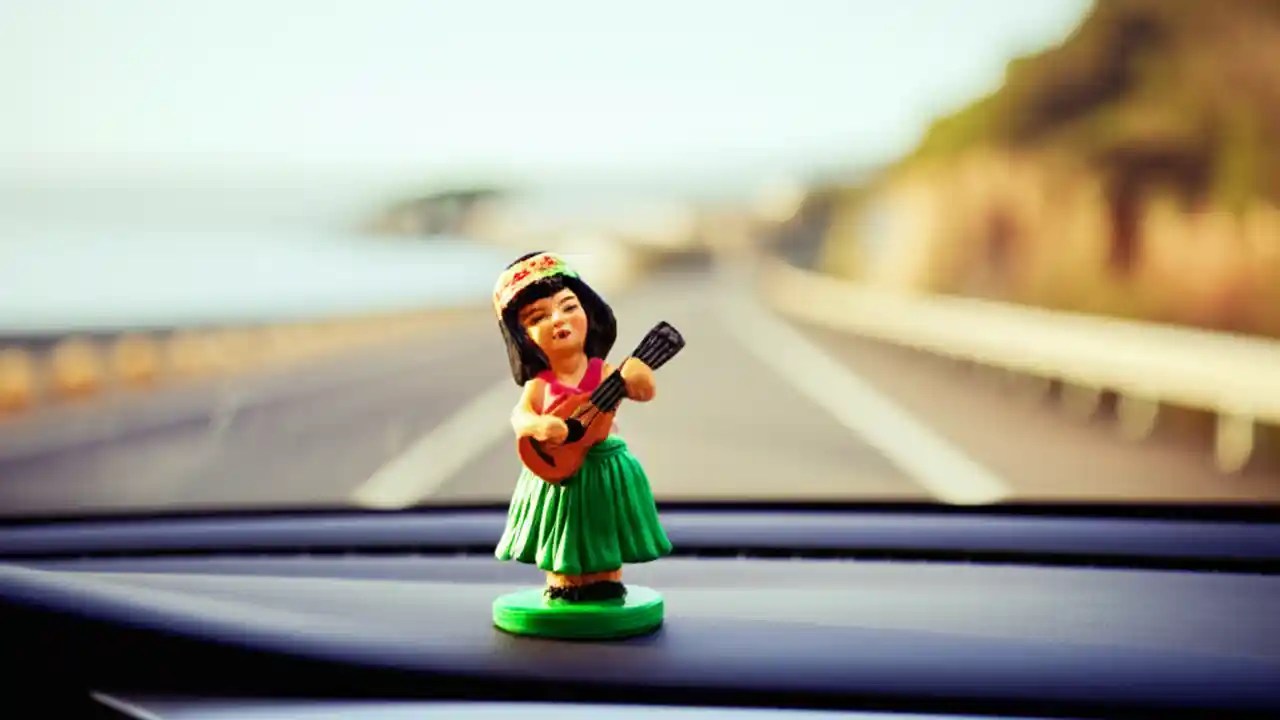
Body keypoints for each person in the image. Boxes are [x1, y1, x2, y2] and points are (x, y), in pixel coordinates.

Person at [492, 250, 672, 602]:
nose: (559, 320)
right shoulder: (541, 384)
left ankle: (606, 581)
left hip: (605, 466)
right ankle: (562, 582)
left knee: (603, 526)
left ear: (589, 311)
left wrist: (639, 377)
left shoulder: (604, 373)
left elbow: (643, 391)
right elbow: (520, 417)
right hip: (558, 471)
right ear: (522, 336)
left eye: (569, 306)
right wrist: (542, 426)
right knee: (564, 530)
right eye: (538, 317)